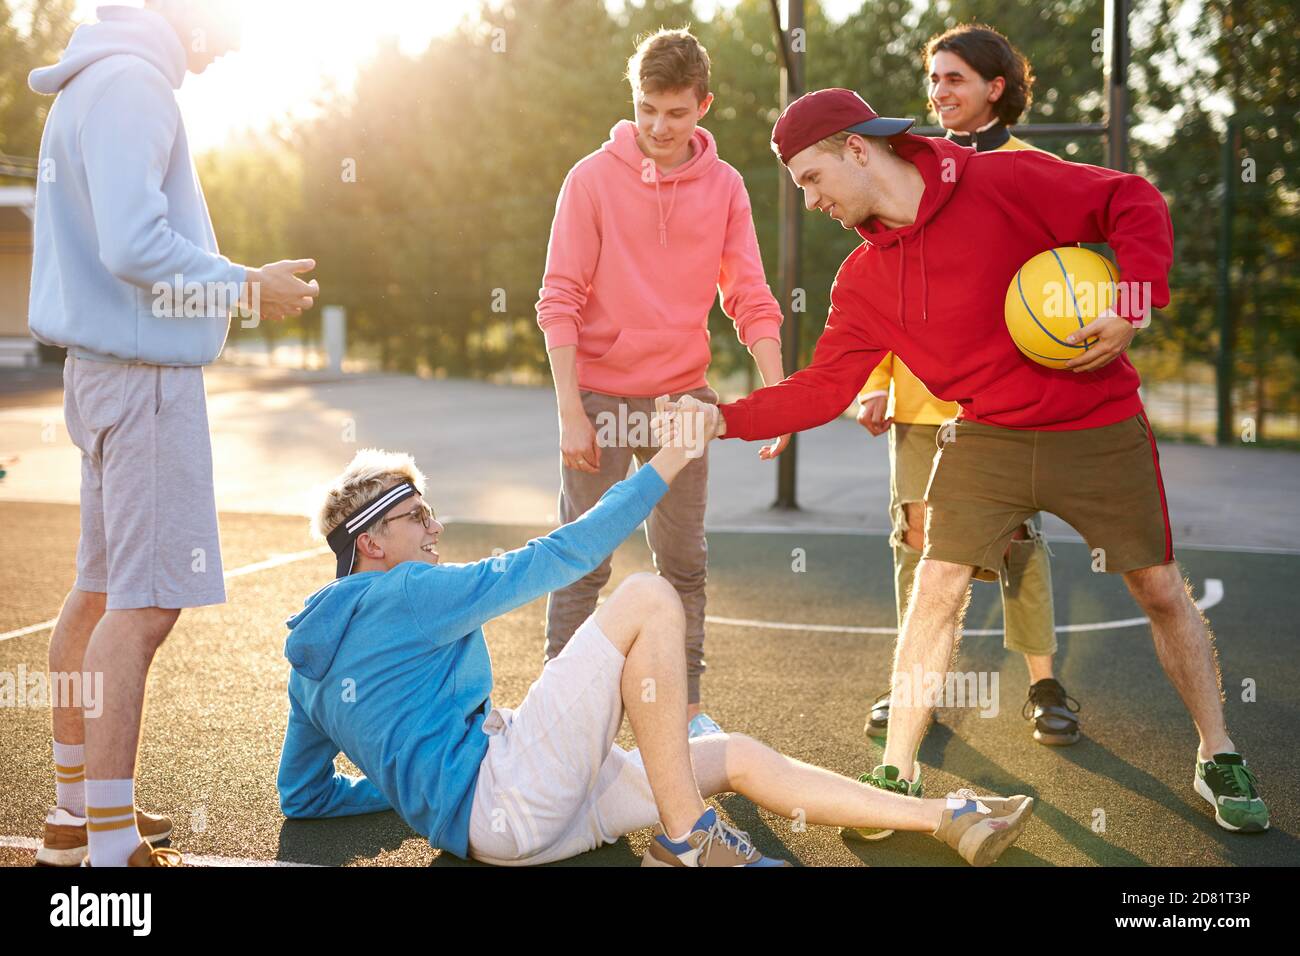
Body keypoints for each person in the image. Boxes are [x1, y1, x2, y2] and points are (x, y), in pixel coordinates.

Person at [676, 88, 1269, 835]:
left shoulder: (1000, 181)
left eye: (811, 179)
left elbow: (1134, 200)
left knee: (1157, 588)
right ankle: (896, 771)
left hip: (1097, 420)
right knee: (935, 586)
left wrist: (1135, 298)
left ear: (857, 148)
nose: (812, 200)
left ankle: (1217, 753)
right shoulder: (863, 279)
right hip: (985, 432)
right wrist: (722, 418)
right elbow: (825, 387)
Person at [274, 398, 1036, 867]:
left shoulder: (307, 670)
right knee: (646, 596)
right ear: (370, 542)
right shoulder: (408, 592)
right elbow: (565, 553)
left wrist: (412, 792)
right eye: (416, 517)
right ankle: (688, 839)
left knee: (729, 755)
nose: (434, 527)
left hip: (511, 822)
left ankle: (946, 821)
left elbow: (303, 798)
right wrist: (671, 456)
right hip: (510, 791)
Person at [29, 0, 319, 867]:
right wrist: (244, 286)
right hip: (144, 381)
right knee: (144, 603)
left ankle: (77, 814)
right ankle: (111, 844)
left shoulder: (92, 79)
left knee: (99, 590)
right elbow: (133, 244)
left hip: (103, 374)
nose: (234, 43)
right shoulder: (134, 85)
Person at [536, 29, 790, 738]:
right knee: (583, 559)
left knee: (683, 564)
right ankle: (561, 713)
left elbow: (751, 298)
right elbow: (559, 297)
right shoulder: (591, 178)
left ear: (702, 106)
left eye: (675, 113)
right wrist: (570, 412)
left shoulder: (726, 187)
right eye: (647, 108)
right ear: (634, 100)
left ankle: (686, 714)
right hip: (599, 395)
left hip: (682, 399)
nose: (658, 127)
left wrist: (775, 398)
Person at [857, 24, 1079, 757]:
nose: (939, 91)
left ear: (996, 86)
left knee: (1015, 542)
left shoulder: (1037, 171)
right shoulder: (908, 171)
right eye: (934, 78)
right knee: (915, 541)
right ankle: (918, 684)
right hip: (920, 393)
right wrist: (877, 378)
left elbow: (1064, 285)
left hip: (1004, 398)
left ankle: (1046, 686)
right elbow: (891, 282)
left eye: (954, 78)